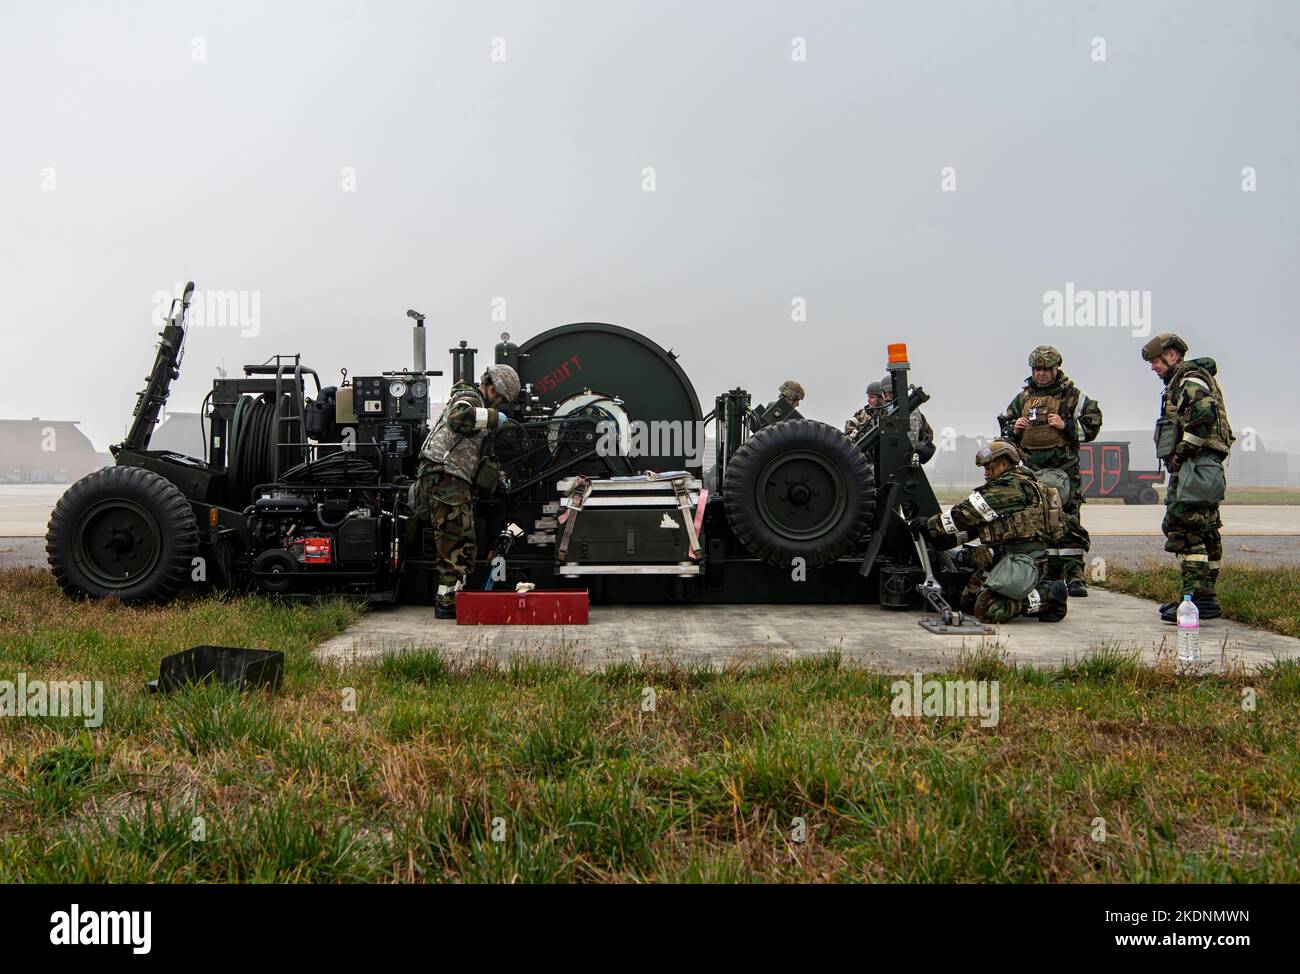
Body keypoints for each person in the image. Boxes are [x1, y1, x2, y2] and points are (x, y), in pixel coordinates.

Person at [911, 439, 1068, 623]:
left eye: (989, 468)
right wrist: (940, 537)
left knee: (986, 610)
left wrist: (930, 524)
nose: (986, 473)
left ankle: (1050, 594)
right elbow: (977, 525)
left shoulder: (1011, 488)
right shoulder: (1013, 483)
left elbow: (967, 514)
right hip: (1005, 556)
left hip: (1025, 561)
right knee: (967, 602)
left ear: (1004, 463)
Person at [416, 363, 521, 619]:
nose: (499, 406)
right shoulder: (469, 398)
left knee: (462, 540)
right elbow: (457, 417)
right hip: (446, 476)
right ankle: (446, 603)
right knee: (454, 541)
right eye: (501, 399)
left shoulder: (476, 402)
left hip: (453, 477)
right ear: (492, 388)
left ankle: (452, 598)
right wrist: (495, 419)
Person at [1142, 332, 1234, 622]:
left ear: (1172, 356)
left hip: (1195, 464)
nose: (1153, 368)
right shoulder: (1189, 379)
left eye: (1156, 361)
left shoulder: (1188, 379)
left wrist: (1181, 452)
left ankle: (1191, 599)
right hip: (1205, 465)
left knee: (1183, 527)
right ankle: (1205, 599)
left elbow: (1203, 413)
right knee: (1206, 528)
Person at [996, 345, 1103, 597]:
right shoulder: (1022, 400)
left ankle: (1075, 577)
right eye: (1037, 369)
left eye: (1046, 369)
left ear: (1057, 369)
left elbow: (1093, 425)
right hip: (1032, 472)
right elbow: (1004, 429)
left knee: (1068, 521)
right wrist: (1015, 429)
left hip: (1064, 471)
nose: (1041, 374)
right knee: (1038, 524)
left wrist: (1065, 425)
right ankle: (1049, 576)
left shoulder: (1073, 397)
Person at [881, 373, 935, 462]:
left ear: (883, 393)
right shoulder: (912, 410)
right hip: (906, 458)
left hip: (899, 459)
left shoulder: (906, 410)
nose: (890, 395)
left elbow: (912, 440)